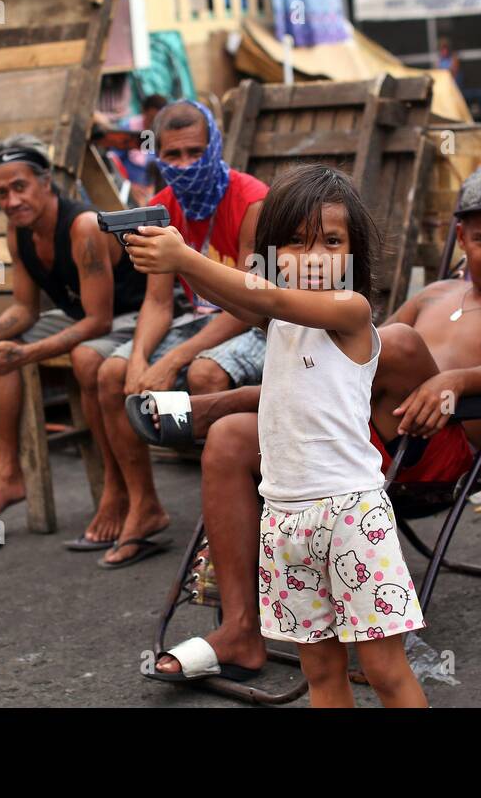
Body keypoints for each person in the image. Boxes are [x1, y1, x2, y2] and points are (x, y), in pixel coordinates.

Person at [146, 164, 481, 683]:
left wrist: (454, 382)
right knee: (230, 438)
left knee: (395, 342)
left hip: (440, 444)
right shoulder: (435, 293)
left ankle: (216, 403)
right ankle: (240, 628)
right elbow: (343, 365)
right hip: (360, 432)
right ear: (461, 237)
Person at [127, 165, 429, 707]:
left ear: (354, 255)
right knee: (319, 671)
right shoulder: (283, 324)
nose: (312, 257)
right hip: (284, 518)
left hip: (350, 516)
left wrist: (183, 259)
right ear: (270, 254)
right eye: (294, 243)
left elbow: (267, 299)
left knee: (384, 670)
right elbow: (238, 298)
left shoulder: (351, 312)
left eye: (331, 242)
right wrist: (169, 255)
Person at [91, 100, 269, 568]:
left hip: (255, 318)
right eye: (174, 155)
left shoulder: (252, 201)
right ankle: (145, 507)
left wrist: (171, 361)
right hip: (200, 319)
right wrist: (137, 361)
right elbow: (158, 301)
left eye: (196, 152)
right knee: (111, 374)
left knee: (205, 374)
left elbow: (254, 301)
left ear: (214, 148)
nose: (185, 165)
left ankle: (234, 525)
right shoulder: (162, 207)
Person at [0, 135, 148, 549]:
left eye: (19, 186)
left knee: (84, 359)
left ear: (45, 182)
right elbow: (24, 310)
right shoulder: (18, 231)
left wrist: (24, 353)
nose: (11, 200)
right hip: (80, 316)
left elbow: (99, 320)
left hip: (131, 315)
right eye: (0, 193)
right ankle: (7, 476)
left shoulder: (83, 227)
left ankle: (116, 489)